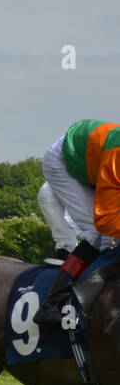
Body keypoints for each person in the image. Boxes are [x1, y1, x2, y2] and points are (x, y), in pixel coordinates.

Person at [33, 119, 120, 326]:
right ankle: (51, 304)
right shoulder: (117, 157)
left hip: (93, 161)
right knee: (96, 234)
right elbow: (105, 220)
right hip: (62, 161)